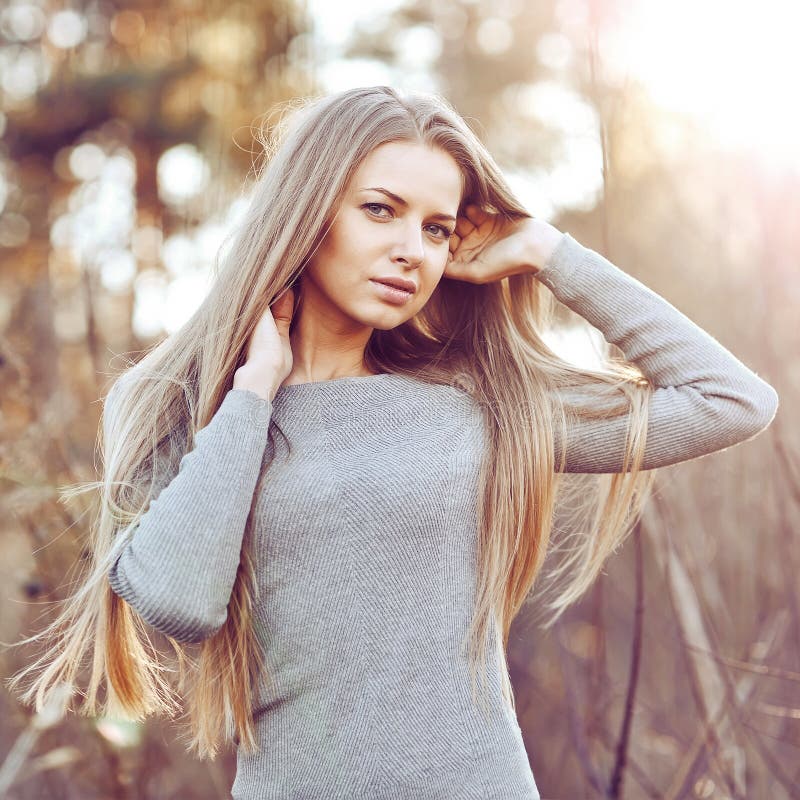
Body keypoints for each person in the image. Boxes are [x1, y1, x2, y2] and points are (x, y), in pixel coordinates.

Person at [7, 85, 778, 799]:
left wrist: (551, 254)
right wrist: (252, 396)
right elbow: (178, 600)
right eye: (381, 210)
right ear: (309, 214)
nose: (414, 248)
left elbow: (731, 400)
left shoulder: (476, 406)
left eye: (437, 227)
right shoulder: (180, 404)